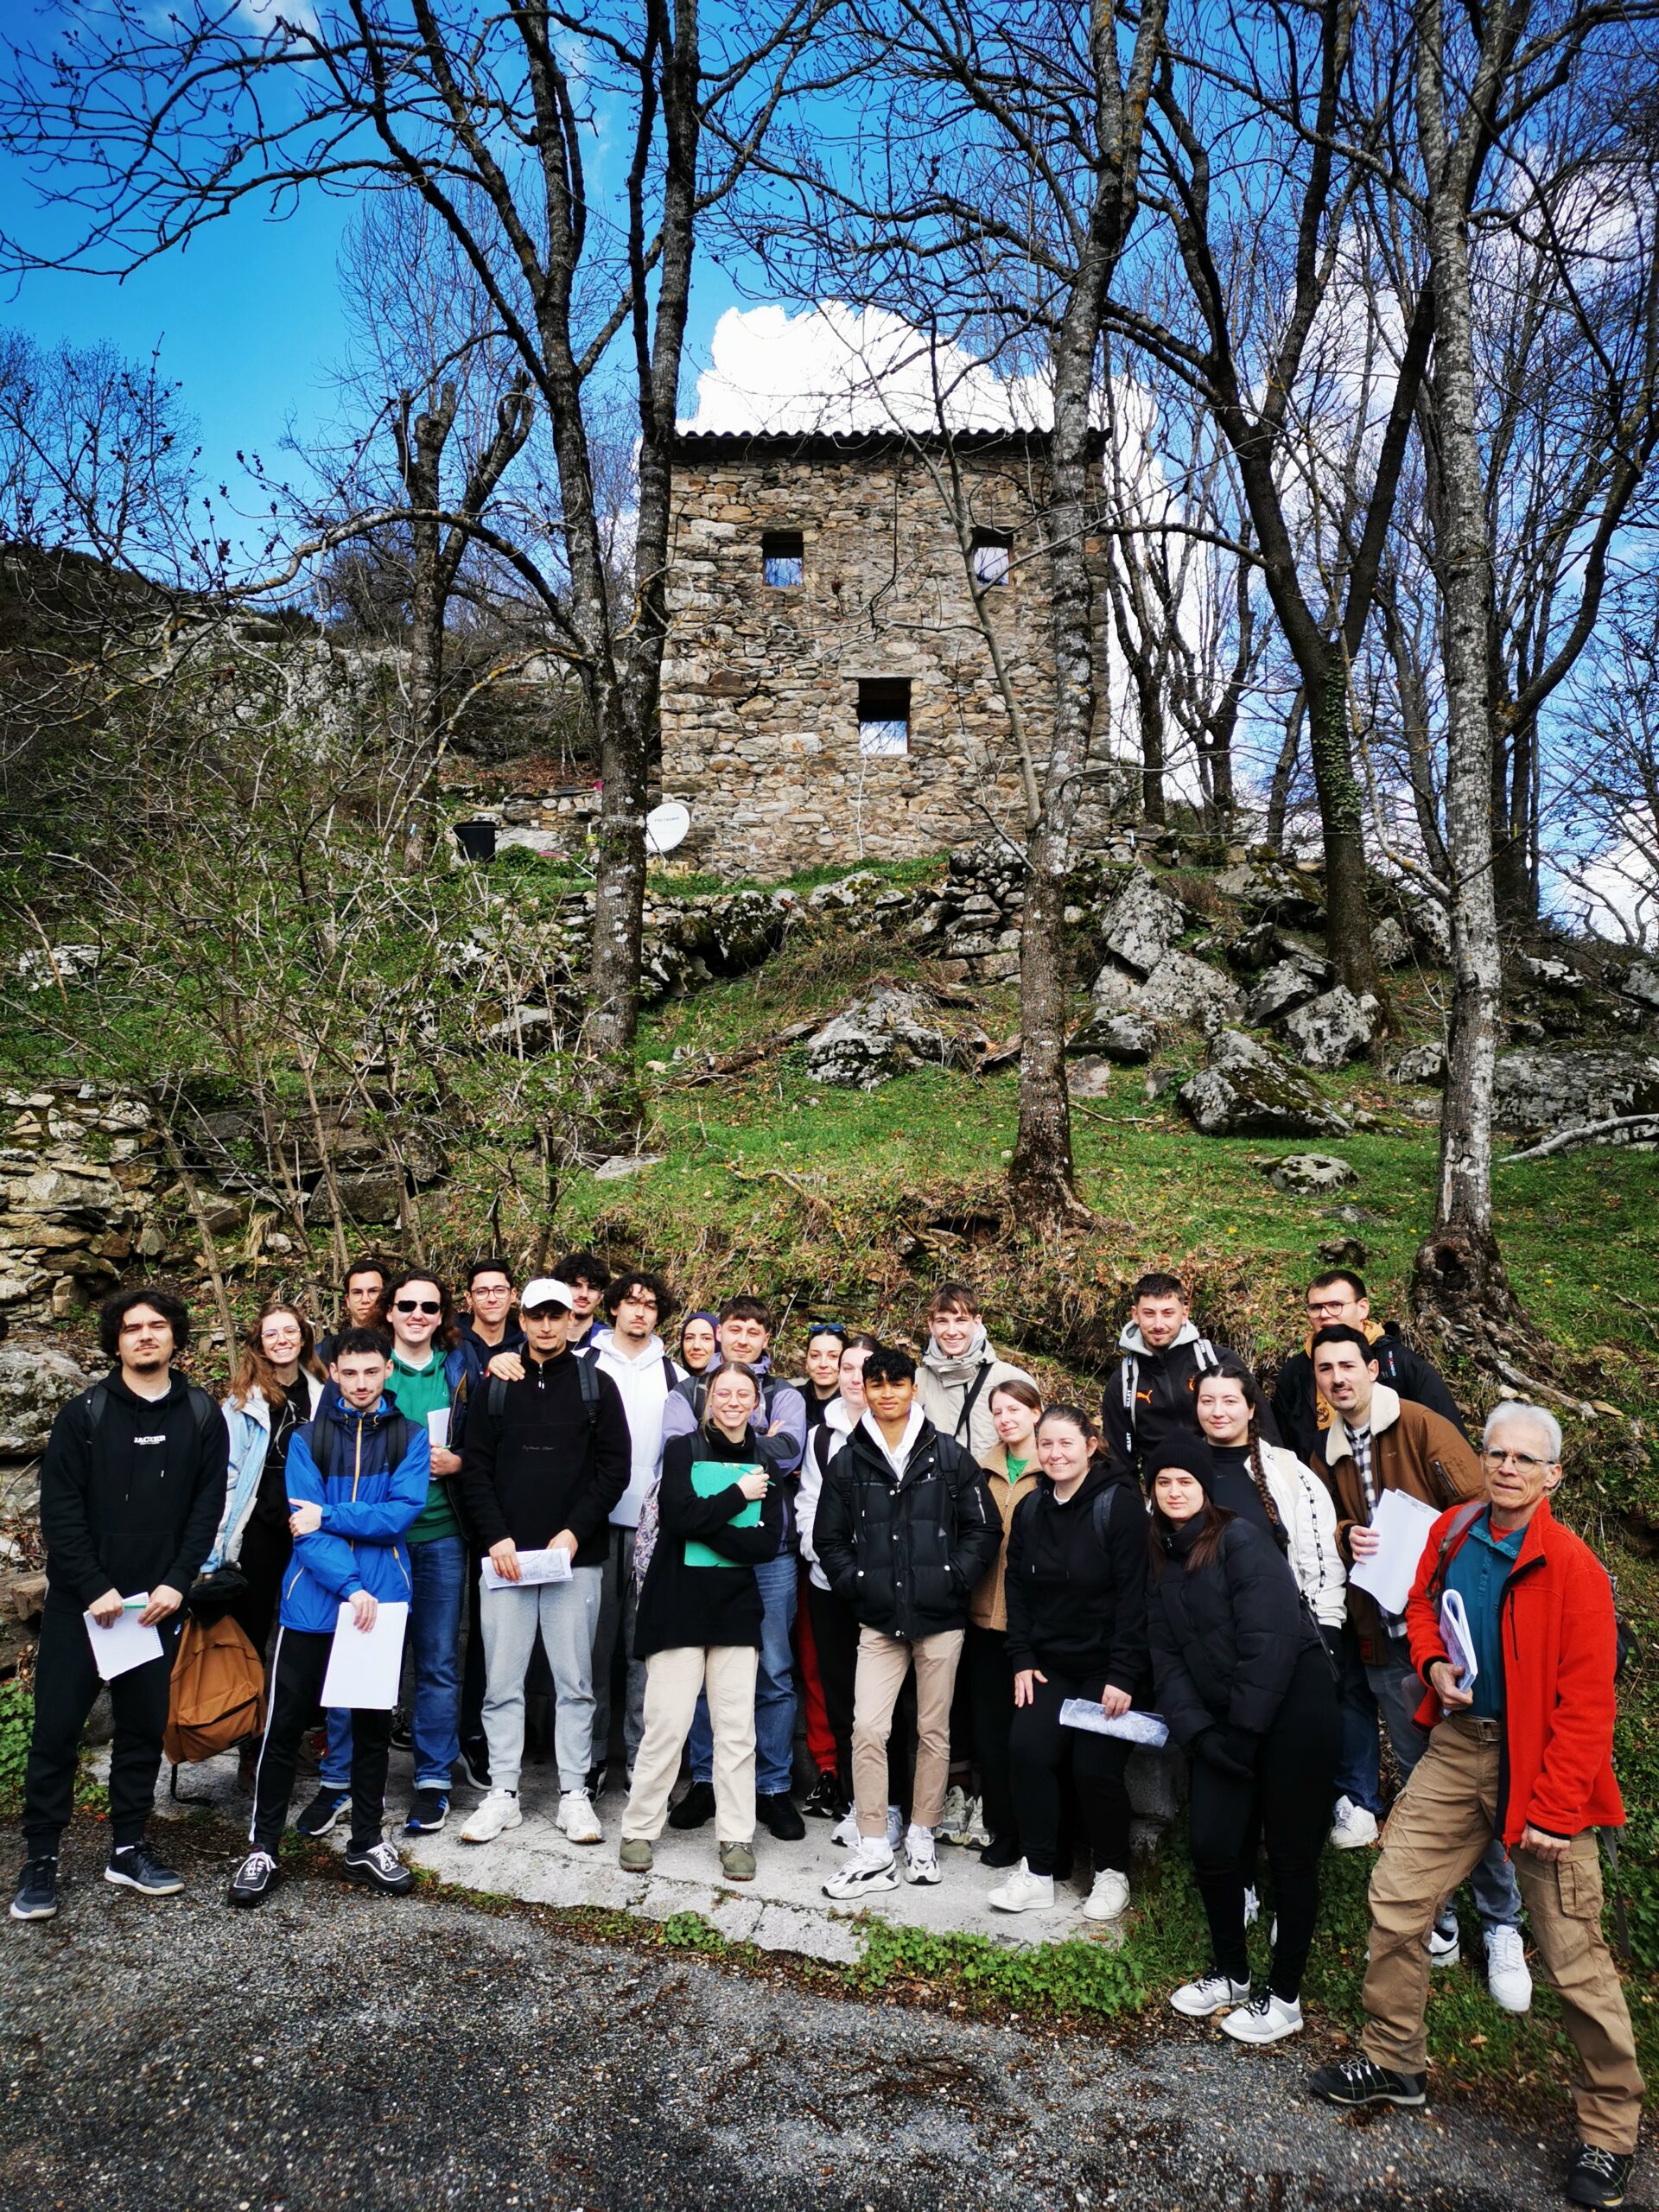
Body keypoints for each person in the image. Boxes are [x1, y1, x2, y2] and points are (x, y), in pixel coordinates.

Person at [1307, 1404, 1643, 2209]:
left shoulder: (1573, 1568)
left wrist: (1558, 1812)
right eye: (1496, 1453)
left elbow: (1589, 1706)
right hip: (1461, 1745)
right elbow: (1420, 1606)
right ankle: (1396, 2062)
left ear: (1552, 1475)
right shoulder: (1455, 1530)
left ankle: (1610, 2131)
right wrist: (1428, 1664)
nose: (1507, 1468)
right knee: (1395, 1900)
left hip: (1542, 1765)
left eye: (1526, 1460)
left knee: (1571, 1953)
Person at [1309, 1324, 1531, 2011]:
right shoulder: (1326, 1453)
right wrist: (1349, 1535)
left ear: (1374, 1367)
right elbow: (1327, 1531)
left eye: (1350, 1365)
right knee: (1420, 1784)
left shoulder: (1422, 1426)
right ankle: (1440, 1912)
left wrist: (1430, 1541)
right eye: (1326, 1369)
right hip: (1386, 1641)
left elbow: (1487, 1505)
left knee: (1478, 1787)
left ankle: (1503, 1926)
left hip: (1455, 1639)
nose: (1339, 1378)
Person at [12, 1288, 228, 1923]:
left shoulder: (200, 1413)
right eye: (132, 1328)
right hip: (85, 1606)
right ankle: (41, 1859)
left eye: (156, 1326)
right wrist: (91, 1584)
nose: (144, 1336)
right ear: (116, 1341)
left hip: (155, 1608)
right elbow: (60, 1510)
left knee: (141, 1731)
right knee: (55, 1734)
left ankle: (128, 1847)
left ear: (174, 1336)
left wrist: (177, 1583)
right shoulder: (86, 1413)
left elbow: (205, 1509)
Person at [226, 1328, 429, 1908]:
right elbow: (300, 1528)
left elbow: (398, 1516)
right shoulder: (305, 1441)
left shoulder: (410, 1438)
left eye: (372, 1372)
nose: (361, 1383)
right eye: (350, 1372)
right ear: (334, 1372)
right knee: (285, 1727)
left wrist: (332, 1514)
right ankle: (263, 1847)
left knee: (369, 1731)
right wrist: (350, 1585)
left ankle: (365, 1843)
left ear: (386, 1371)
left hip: (379, 1605)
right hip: (315, 1602)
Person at [1149, 1435, 1342, 2043]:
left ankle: (1284, 1997)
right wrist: (1203, 1738)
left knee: (1289, 1855)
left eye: (1185, 1482)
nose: (1175, 1492)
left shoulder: (1241, 1541)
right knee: (1211, 1843)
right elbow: (1166, 1658)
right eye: (1163, 1483)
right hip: (1225, 1725)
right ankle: (1231, 1972)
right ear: (1150, 1493)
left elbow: (1271, 1639)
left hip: (1293, 1710)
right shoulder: (1159, 1558)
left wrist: (1243, 1731)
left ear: (1206, 1489)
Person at [816, 1345, 999, 1897]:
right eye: (877, 1384)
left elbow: (983, 1529)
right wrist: (858, 1585)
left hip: (941, 1618)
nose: (888, 1393)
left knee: (932, 1730)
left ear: (913, 1389)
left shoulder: (948, 1455)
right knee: (868, 1726)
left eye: (897, 1383)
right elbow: (829, 1538)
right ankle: (874, 1843)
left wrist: (953, 1579)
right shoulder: (850, 1457)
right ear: (866, 1391)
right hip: (878, 1620)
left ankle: (922, 1831)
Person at [456, 1279, 631, 1848]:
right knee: (502, 1682)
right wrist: (496, 1538)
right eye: (536, 1315)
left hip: (573, 1561)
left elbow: (614, 1470)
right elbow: (475, 1468)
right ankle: (503, 1792)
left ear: (570, 1317)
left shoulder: (594, 1387)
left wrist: (574, 1533)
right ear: (521, 1317)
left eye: (557, 1314)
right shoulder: (494, 1387)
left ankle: (574, 1793)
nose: (547, 1325)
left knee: (575, 1682)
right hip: (506, 1560)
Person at [308, 1270, 467, 1840]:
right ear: (390, 1312)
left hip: (441, 1533)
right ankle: (339, 1782)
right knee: (355, 1660)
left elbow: (484, 1443)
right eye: (407, 1304)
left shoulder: (460, 1369)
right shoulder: (364, 1368)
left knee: (437, 1663)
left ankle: (432, 1780)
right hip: (371, 1543)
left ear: (442, 1312)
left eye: (430, 1304)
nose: (418, 1313)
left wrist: (462, 1461)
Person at [619, 1363, 785, 1884]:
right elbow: (676, 1515)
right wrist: (738, 1499)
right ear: (708, 1398)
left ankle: (736, 1836)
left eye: (744, 1393)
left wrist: (702, 1521)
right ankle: (640, 1828)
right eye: (723, 1392)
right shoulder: (682, 1449)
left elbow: (763, 1545)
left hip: (736, 1609)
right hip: (677, 1605)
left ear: (756, 1403)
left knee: (736, 1729)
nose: (733, 1401)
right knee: (666, 1723)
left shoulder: (767, 1459)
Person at [989, 1404, 1147, 1922]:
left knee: (1092, 1767)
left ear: (1090, 1445)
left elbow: (1135, 1595)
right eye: (1047, 1445)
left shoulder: (1117, 1506)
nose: (1055, 1454)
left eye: (1065, 1444)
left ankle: (1111, 1872)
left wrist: (1124, 1673)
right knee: (1027, 1749)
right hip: (1050, 1663)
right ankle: (1038, 1871)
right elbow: (1018, 1585)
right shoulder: (1033, 1508)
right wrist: (1022, 1657)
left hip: (1107, 1667)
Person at [662, 1298, 808, 1843]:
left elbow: (788, 1452)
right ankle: (704, 1779)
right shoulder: (685, 1392)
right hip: (700, 1550)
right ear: (719, 1335)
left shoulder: (786, 1393)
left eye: (755, 1330)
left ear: (766, 1338)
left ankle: (770, 1786)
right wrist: (749, 1443)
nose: (743, 1338)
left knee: (771, 1669)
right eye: (735, 1329)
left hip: (768, 1555)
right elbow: (677, 1453)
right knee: (703, 1667)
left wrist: (729, 1446)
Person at [589, 1268, 679, 1793]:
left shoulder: (672, 1374)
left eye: (650, 1305)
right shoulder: (585, 1363)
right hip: (595, 1528)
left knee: (642, 1653)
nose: (640, 1312)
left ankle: (642, 1767)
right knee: (593, 1651)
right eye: (631, 1302)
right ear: (614, 1308)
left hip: (653, 1529)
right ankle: (592, 1759)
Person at [203, 1300, 327, 1659]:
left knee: (308, 1623)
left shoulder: (324, 1392)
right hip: (259, 1524)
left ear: (304, 1338)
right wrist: (213, 1556)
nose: (281, 1340)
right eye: (271, 1333)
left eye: (290, 1331)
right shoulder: (243, 1403)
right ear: (260, 1344)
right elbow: (226, 1476)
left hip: (311, 1522)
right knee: (251, 1624)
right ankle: (248, 1708)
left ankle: (304, 1713)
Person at [1193, 1357, 1346, 1644]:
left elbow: (1320, 1558)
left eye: (1229, 1401)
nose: (1217, 1412)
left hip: (1282, 1631)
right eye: (1207, 1401)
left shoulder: (1287, 1471)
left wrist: (1326, 1627)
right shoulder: (1180, 1474)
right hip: (1201, 1635)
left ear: (1251, 1409)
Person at [443, 1258, 524, 1792]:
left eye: (500, 1290)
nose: (491, 1298)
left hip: (518, 1504)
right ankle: (467, 1732)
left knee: (502, 1628)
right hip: (459, 1500)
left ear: (512, 1296)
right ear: (469, 1298)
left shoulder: (532, 1341)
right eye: (481, 1291)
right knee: (464, 1630)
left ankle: (501, 1732)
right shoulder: (455, 1352)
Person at [795, 1333, 880, 1825]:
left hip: (881, 1584)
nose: (853, 1377)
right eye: (846, 1368)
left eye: (863, 1369)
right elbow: (808, 1504)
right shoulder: (821, 1436)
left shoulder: (901, 1430)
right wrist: (821, 1555)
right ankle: (841, 1786)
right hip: (829, 1578)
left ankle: (879, 1797)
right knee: (831, 1678)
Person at [965, 1378, 1043, 1870]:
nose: (1006, 1418)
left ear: (1037, 1412)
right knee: (988, 1735)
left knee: (1028, 1739)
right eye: (998, 1411)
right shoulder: (981, 1470)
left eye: (1015, 1409)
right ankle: (1003, 1829)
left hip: (1030, 1625)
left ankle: (1040, 1832)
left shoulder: (1053, 1467)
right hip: (980, 1619)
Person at [1274, 1270, 1465, 1465]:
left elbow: (1450, 1441)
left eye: (1335, 1305)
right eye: (1315, 1307)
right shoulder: (1294, 1372)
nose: (1324, 1315)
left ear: (1362, 1308)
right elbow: (1283, 1446)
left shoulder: (1400, 1364)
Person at [1100, 1272, 1235, 1484]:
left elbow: (1262, 1424)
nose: (1159, 1324)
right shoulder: (1123, 1383)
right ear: (1135, 1315)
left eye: (1168, 1313)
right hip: (1167, 1495)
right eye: (1149, 1313)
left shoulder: (1217, 1360)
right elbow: (1119, 1460)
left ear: (1184, 1313)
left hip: (1229, 1480)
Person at [914, 1281, 1034, 1461]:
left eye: (961, 1320)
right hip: (938, 1488)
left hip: (995, 1487)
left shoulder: (1012, 1379)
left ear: (976, 1322)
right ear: (931, 1325)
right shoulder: (915, 1382)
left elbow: (1035, 1447)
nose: (952, 1331)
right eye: (942, 1321)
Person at [316, 1253, 396, 1367]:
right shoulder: (326, 1352)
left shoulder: (402, 1348)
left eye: (373, 1291)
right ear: (348, 1300)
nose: (365, 1300)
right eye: (357, 1292)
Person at [797, 1322, 848, 1433]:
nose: (823, 1364)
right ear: (806, 1362)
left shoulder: (854, 1404)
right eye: (815, 1356)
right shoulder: (792, 1399)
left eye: (833, 1356)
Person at [556, 1251, 611, 1351]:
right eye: (576, 1286)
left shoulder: (608, 1343)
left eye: (592, 1288)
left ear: (600, 1297)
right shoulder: (539, 1335)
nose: (584, 1295)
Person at [677, 1312, 718, 1379]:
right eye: (689, 1338)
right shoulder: (673, 1382)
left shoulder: (733, 1385)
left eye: (706, 1338)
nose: (696, 1346)